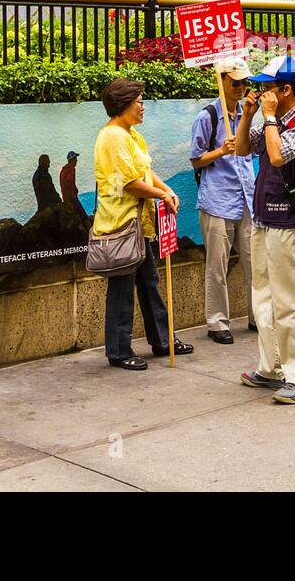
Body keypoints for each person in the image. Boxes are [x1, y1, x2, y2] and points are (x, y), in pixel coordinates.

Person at [234, 54, 295, 404]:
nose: (260, 93)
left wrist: (268, 117)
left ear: (286, 90)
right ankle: (271, 367)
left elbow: (276, 156)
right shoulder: (272, 120)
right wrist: (247, 116)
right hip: (265, 220)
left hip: (293, 222)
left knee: (294, 300)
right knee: (265, 297)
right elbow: (242, 147)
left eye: (267, 88)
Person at [93, 77, 193, 370]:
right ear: (124, 104)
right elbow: (130, 183)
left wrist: (166, 190)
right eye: (138, 101)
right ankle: (119, 350)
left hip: (140, 225)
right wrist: (161, 193)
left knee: (149, 283)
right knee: (122, 289)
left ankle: (162, 340)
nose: (142, 106)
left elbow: (146, 172)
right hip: (121, 224)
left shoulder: (132, 135)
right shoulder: (112, 137)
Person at [190, 59, 258, 344]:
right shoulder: (208, 116)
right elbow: (196, 160)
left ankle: (258, 315)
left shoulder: (246, 112)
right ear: (223, 81)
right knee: (217, 265)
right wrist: (221, 151)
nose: (241, 87)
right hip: (218, 198)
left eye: (244, 82)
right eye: (236, 82)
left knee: (256, 262)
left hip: (246, 197)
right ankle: (217, 322)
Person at [60, 151, 86, 221]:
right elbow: (69, 184)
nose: (76, 160)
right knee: (84, 216)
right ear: (72, 160)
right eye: (75, 159)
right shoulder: (71, 169)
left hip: (66, 198)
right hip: (72, 198)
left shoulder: (63, 170)